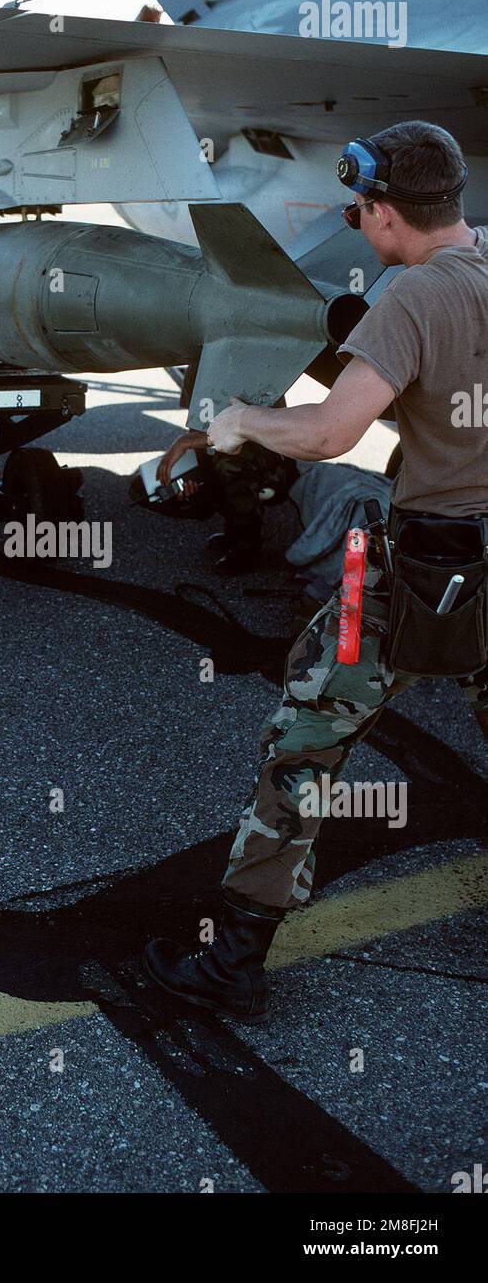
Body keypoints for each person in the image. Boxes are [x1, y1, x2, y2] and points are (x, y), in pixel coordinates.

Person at [145, 120, 488, 1021]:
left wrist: (245, 423)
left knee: (303, 743)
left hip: (418, 573)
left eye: (359, 209)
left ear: (382, 213)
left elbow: (332, 431)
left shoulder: (411, 298)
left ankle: (234, 962)